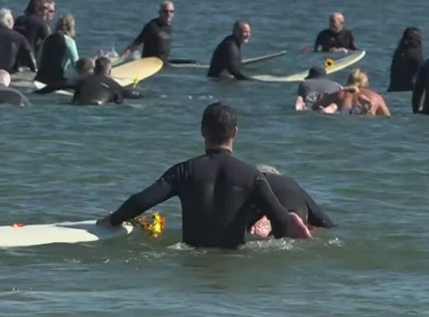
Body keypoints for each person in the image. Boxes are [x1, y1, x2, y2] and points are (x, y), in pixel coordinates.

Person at [97, 102, 301, 249]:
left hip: (191, 257)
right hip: (233, 259)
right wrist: (276, 242)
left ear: (202, 131)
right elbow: (282, 219)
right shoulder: (252, 176)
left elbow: (142, 200)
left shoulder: (184, 171)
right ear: (235, 133)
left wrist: (114, 219)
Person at [249, 165, 334, 238]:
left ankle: (269, 221)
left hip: (263, 208)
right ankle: (293, 219)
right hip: (297, 206)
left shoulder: (258, 180)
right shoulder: (291, 183)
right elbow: (325, 222)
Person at [313, 69, 391, 116]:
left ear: (348, 81)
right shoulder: (376, 97)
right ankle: (365, 110)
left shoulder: (337, 94)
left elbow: (315, 107)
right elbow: (387, 116)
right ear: (366, 83)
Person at [35, 14, 79, 86]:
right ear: (71, 28)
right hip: (56, 79)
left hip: (40, 77)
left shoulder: (47, 39)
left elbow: (39, 61)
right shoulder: (69, 41)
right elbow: (76, 64)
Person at [13, 0, 51, 65]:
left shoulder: (19, 20)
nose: (47, 11)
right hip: (31, 58)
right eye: (45, 8)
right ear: (39, 8)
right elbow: (49, 42)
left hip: (15, 58)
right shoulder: (41, 22)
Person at [387, 26, 423, 92]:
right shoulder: (415, 54)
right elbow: (422, 73)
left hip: (393, 89)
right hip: (408, 90)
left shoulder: (399, 52)